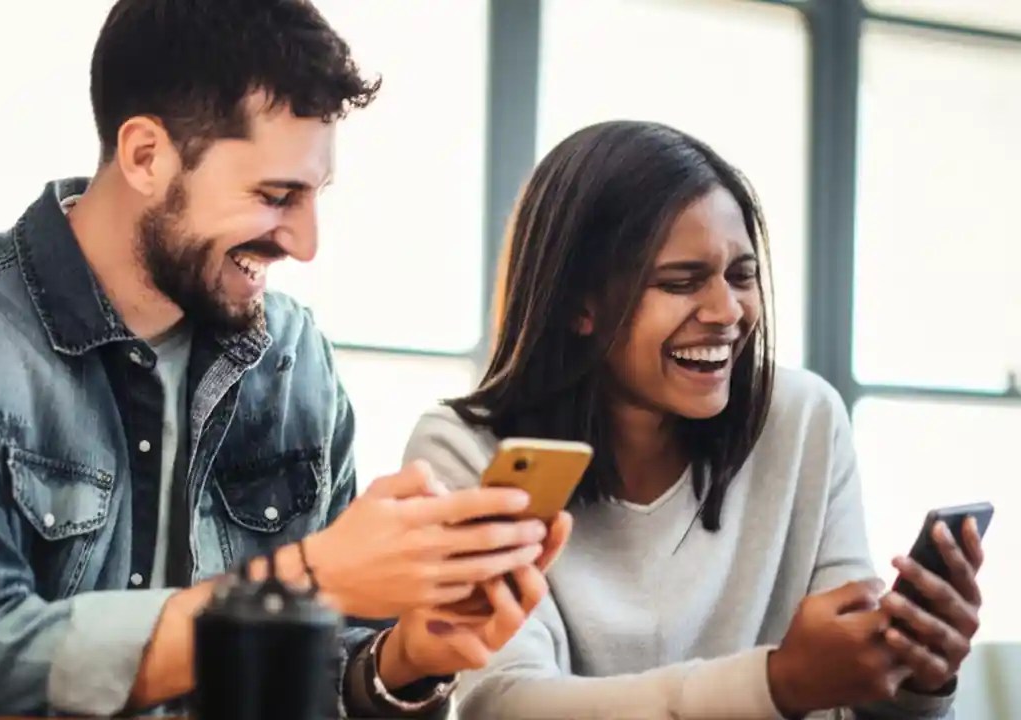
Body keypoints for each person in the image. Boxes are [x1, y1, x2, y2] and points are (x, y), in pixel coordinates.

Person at [0, 0, 568, 715]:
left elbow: (323, 681)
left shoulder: (295, 358)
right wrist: (310, 579)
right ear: (145, 155)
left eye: (315, 196)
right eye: (276, 196)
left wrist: (408, 658)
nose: (306, 244)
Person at [403, 120, 988, 719]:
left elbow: (843, 705)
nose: (727, 311)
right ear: (580, 304)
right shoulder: (465, 452)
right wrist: (777, 683)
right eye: (681, 282)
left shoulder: (803, 420)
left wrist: (915, 678)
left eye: (742, 275)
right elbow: (503, 705)